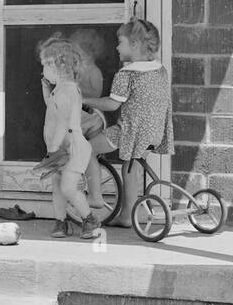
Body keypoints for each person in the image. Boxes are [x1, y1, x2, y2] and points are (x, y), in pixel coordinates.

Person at [102, 18, 174, 227]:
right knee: (130, 166)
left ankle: (95, 197)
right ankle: (127, 215)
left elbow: (112, 104)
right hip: (153, 132)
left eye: (120, 42)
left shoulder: (127, 73)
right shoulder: (159, 69)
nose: (117, 47)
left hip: (130, 133)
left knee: (87, 148)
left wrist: (84, 99)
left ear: (134, 45)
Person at [31, 36, 99, 240]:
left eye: (45, 66)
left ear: (56, 65)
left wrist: (53, 148)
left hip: (70, 148)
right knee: (58, 185)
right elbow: (52, 109)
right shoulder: (60, 90)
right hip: (62, 148)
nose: (43, 71)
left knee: (68, 186)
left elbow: (62, 122)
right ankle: (61, 222)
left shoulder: (67, 91)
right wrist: (46, 90)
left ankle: (90, 220)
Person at [67, 27, 113, 220]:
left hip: (91, 115)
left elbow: (94, 94)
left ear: (87, 52)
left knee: (83, 149)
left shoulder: (93, 71)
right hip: (82, 114)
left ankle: (91, 191)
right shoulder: (79, 69)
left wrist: (77, 88)